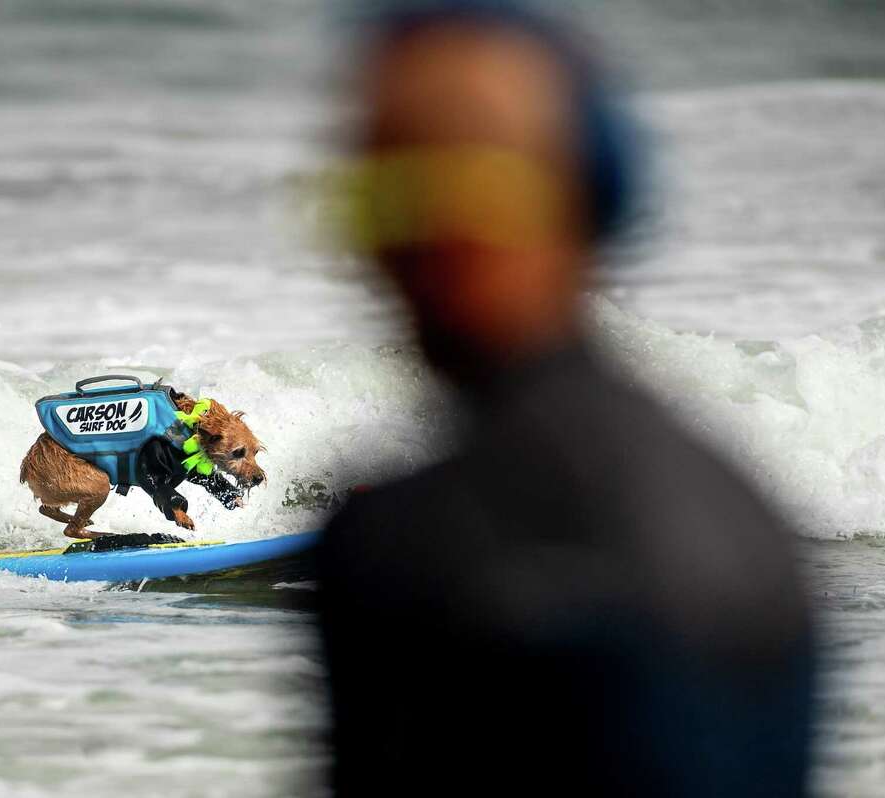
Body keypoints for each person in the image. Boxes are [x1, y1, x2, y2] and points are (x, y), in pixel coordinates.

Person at [316, 3, 816, 795]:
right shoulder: (738, 503)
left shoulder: (428, 541)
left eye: (472, 190)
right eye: (380, 194)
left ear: (586, 200)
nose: (420, 238)